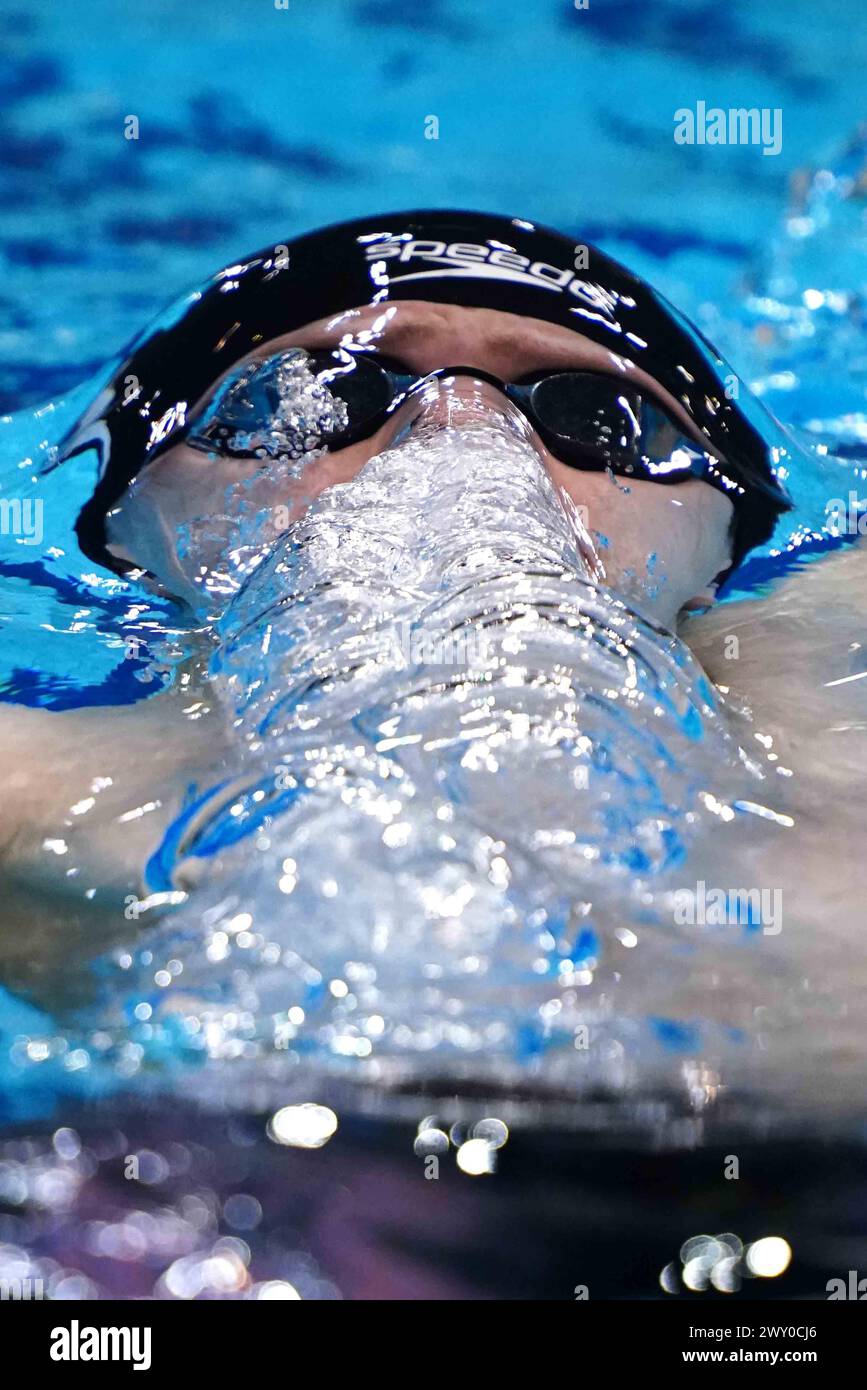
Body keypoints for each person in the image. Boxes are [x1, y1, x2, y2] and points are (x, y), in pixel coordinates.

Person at [0, 212, 837, 1057]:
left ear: (721, 556)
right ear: (121, 530)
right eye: (318, 392)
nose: (460, 433)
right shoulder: (22, 796)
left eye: (599, 415)